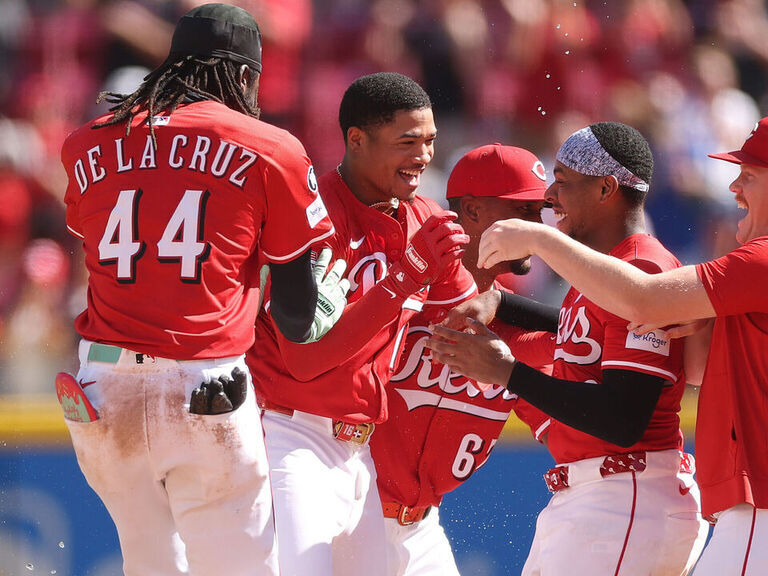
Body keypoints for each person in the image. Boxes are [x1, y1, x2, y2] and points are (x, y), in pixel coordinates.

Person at [58, 4, 341, 575]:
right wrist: (323, 305)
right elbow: (294, 315)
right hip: (204, 385)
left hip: (100, 386)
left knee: (150, 564)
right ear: (243, 76)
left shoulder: (85, 141)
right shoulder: (271, 147)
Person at [466, 118, 768, 575]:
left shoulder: (651, 263)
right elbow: (658, 338)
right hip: (627, 498)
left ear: (607, 189)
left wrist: (538, 240)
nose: (732, 184)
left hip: (639, 496)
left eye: (749, 174)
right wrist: (504, 304)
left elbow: (642, 301)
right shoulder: (608, 272)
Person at [247, 72, 470, 576]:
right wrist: (406, 276)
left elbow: (469, 317)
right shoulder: (311, 213)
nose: (423, 155)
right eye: (406, 142)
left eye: (430, 140)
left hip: (358, 453)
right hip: (287, 436)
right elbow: (304, 362)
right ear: (356, 139)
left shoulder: (423, 217)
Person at [370, 143, 553, 576]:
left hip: (422, 531)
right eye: (523, 210)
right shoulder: (402, 289)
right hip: (348, 511)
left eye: (540, 209)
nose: (537, 225)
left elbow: (568, 427)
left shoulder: (516, 330)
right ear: (471, 211)